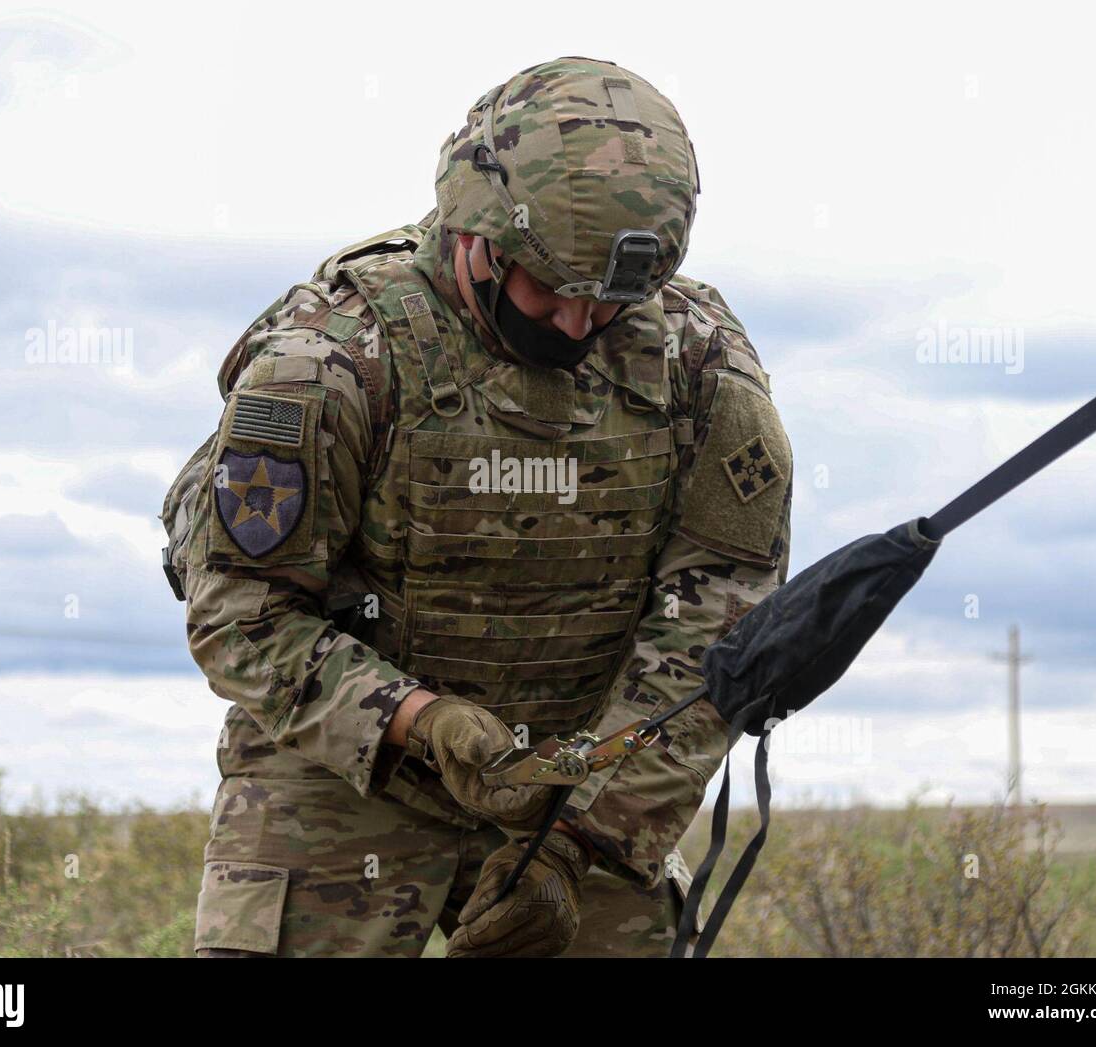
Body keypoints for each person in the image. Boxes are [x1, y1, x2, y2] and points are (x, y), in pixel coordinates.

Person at [164, 56, 792, 958]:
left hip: (584, 776)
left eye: (612, 300)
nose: (580, 324)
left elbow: (720, 634)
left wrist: (578, 841)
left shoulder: (697, 365)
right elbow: (243, 615)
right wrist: (420, 720)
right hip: (343, 766)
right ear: (480, 233)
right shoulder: (331, 361)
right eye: (554, 289)